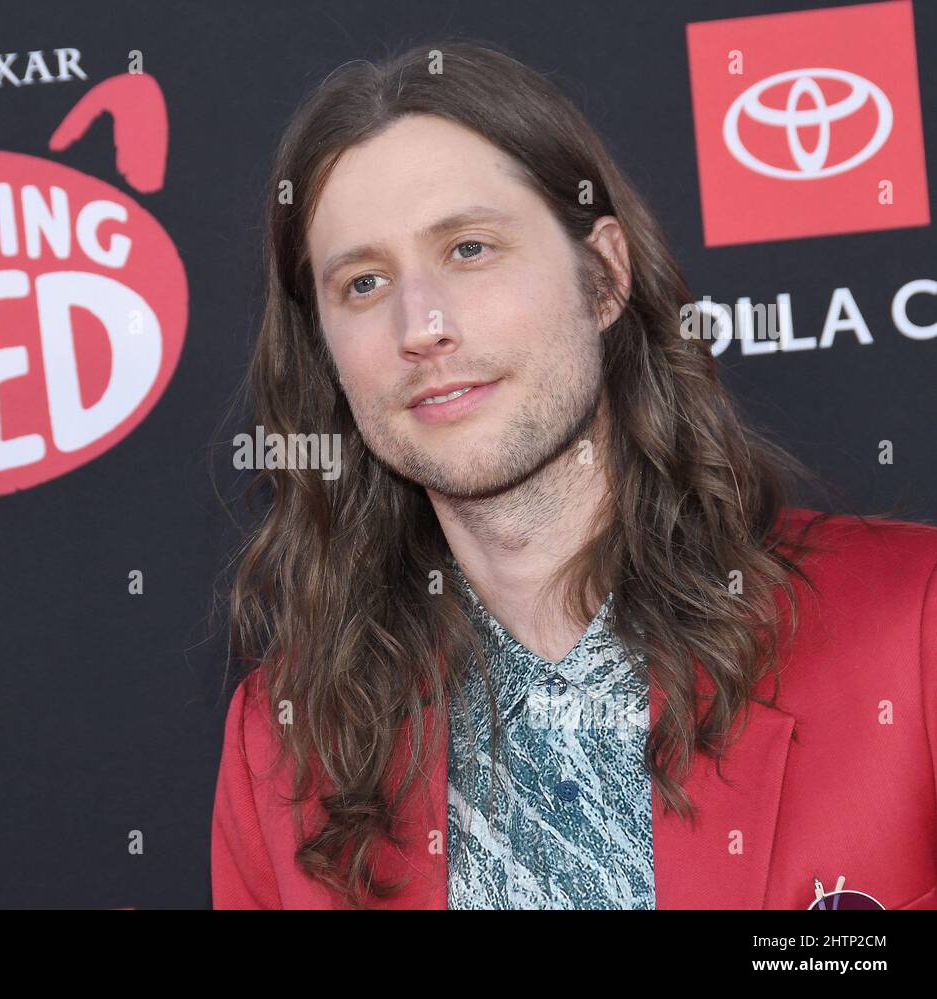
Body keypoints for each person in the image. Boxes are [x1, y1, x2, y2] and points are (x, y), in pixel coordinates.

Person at [210, 38, 937, 910]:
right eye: (363, 283)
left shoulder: (911, 627)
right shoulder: (282, 746)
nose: (421, 324)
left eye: (469, 249)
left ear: (603, 277)